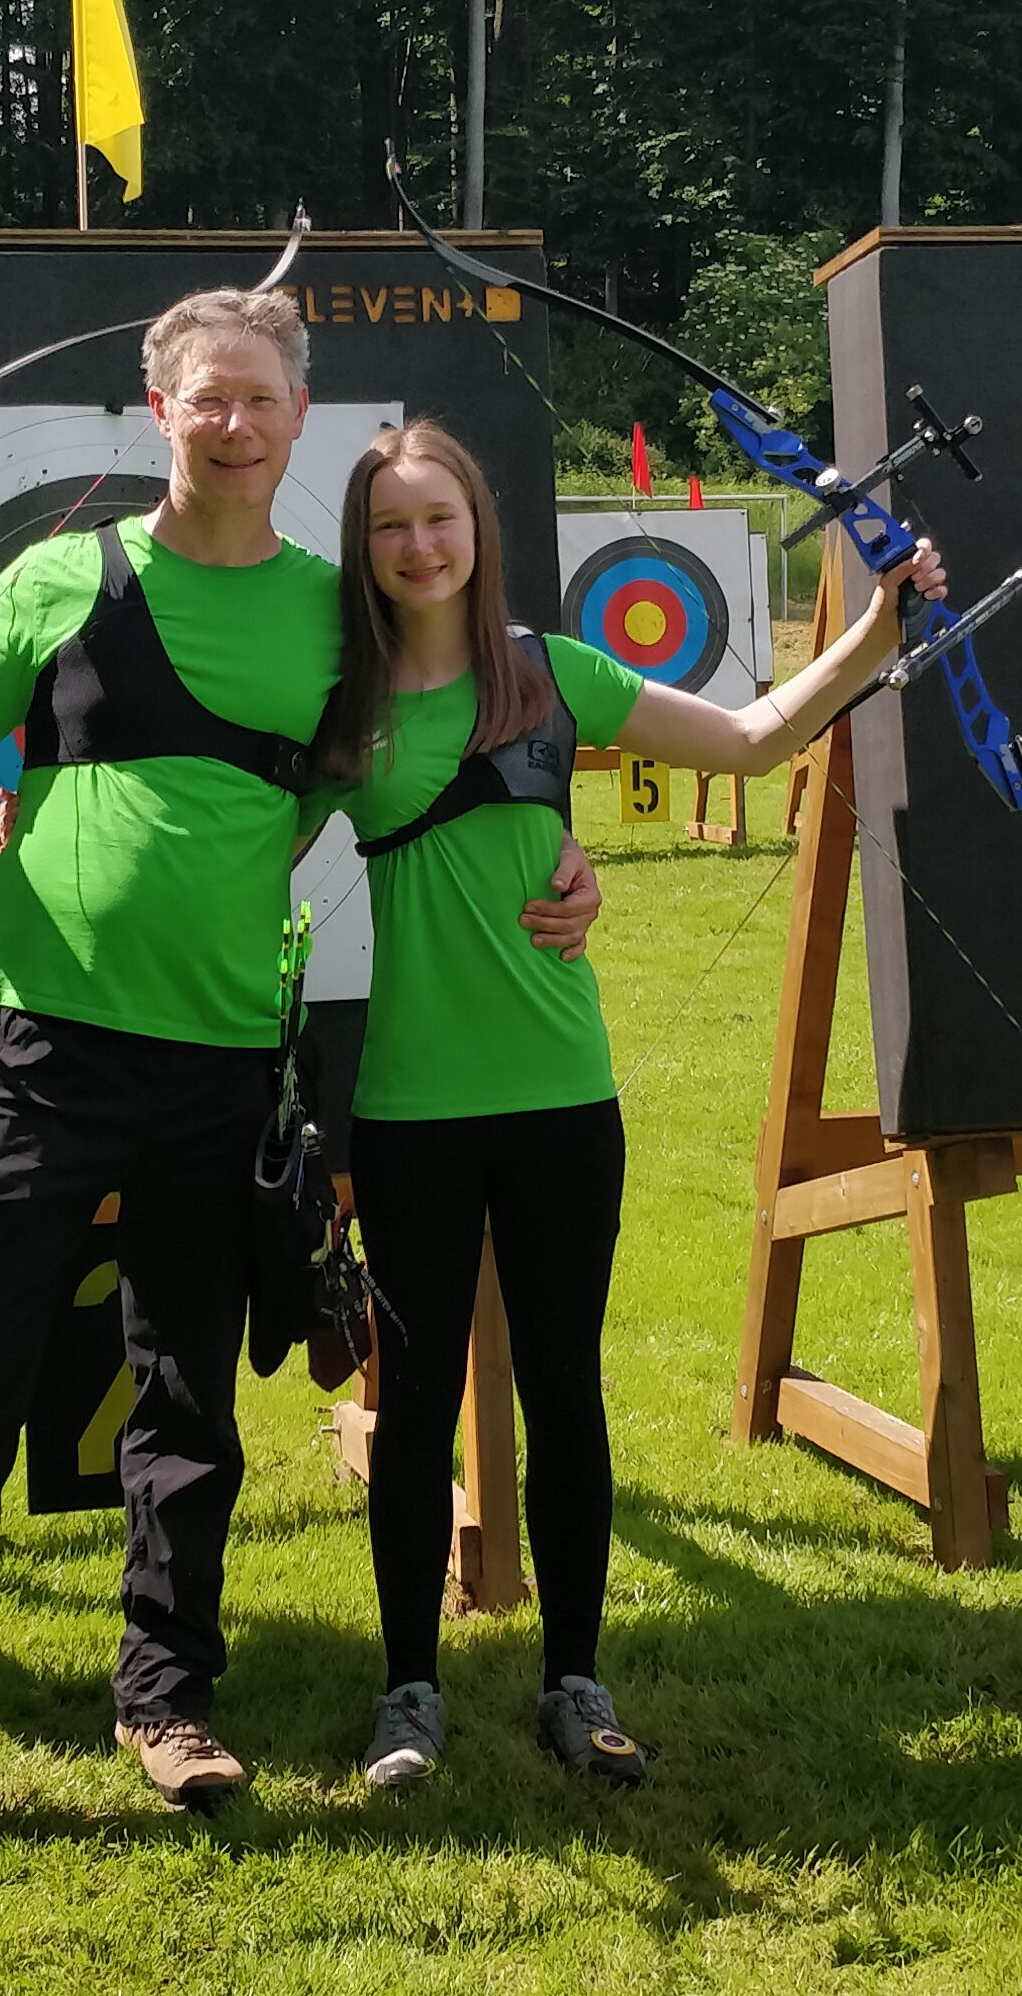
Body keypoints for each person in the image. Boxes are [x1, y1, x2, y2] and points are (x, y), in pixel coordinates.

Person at [0, 291, 602, 1866]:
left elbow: (463, 744)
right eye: (207, 397)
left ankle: (168, 1697)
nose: (235, 423)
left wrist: (569, 860)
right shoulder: (65, 576)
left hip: (223, 1063)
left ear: (299, 415)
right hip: (34, 1040)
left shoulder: (342, 618)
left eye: (261, 399)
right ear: (161, 410)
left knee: (187, 1399)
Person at [312, 420, 946, 1791]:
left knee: (565, 1390)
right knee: (416, 1407)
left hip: (559, 1096)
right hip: (410, 1106)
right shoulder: (344, 708)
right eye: (391, 526)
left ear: (478, 529)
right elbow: (230, 844)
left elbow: (754, 740)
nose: (421, 545)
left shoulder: (552, 674)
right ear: (362, 551)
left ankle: (574, 1683)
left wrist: (880, 628)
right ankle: (409, 1693)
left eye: (442, 517)